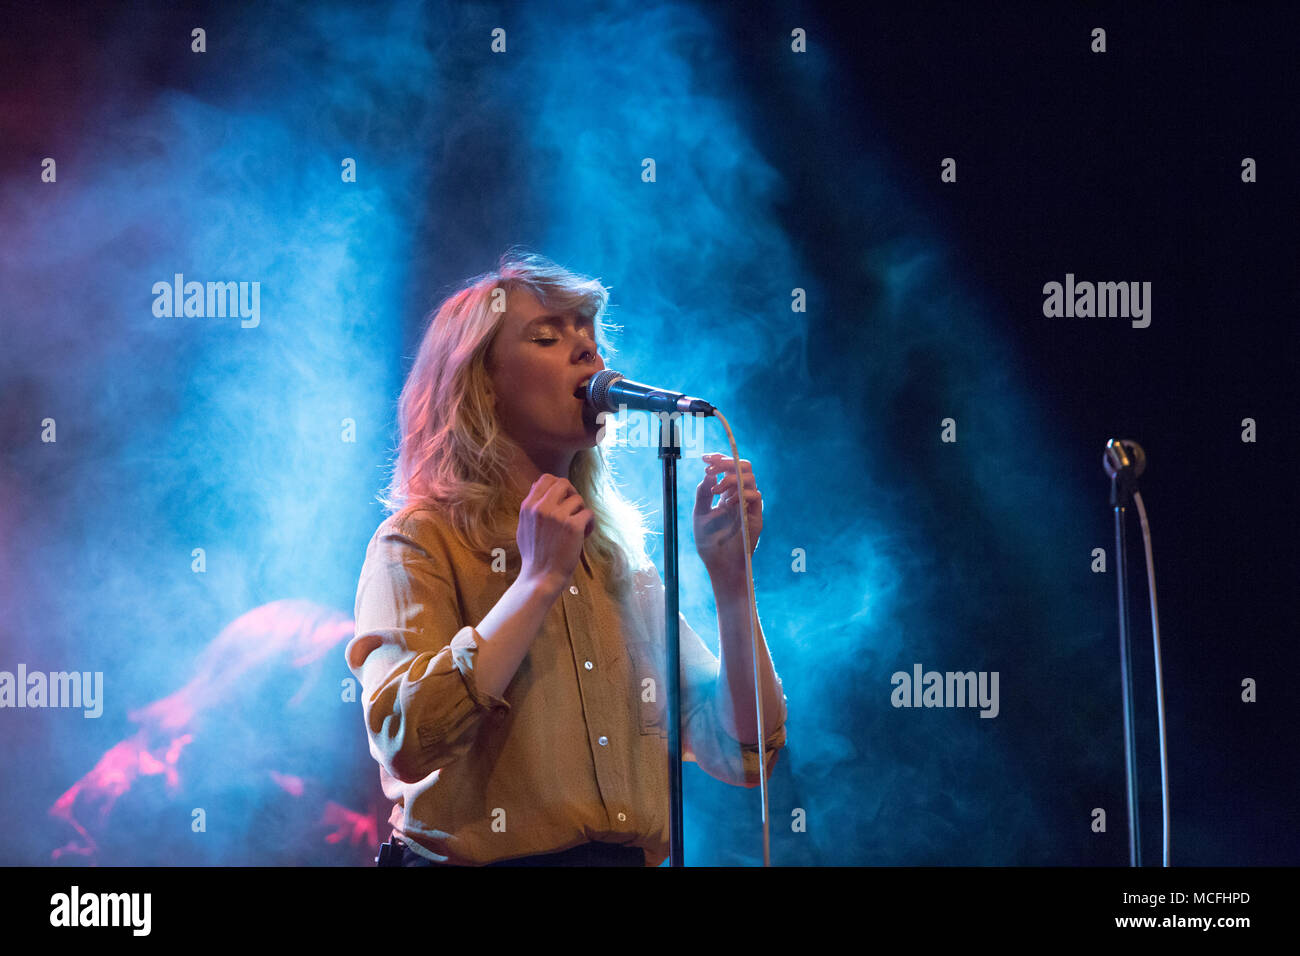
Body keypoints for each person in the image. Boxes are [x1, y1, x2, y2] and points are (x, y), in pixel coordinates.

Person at [347, 250, 787, 867]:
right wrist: (537, 582)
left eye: (590, 334)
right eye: (548, 336)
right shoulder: (418, 541)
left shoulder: (616, 561)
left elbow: (742, 750)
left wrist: (732, 582)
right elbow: (406, 738)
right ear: (482, 383)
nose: (589, 352)